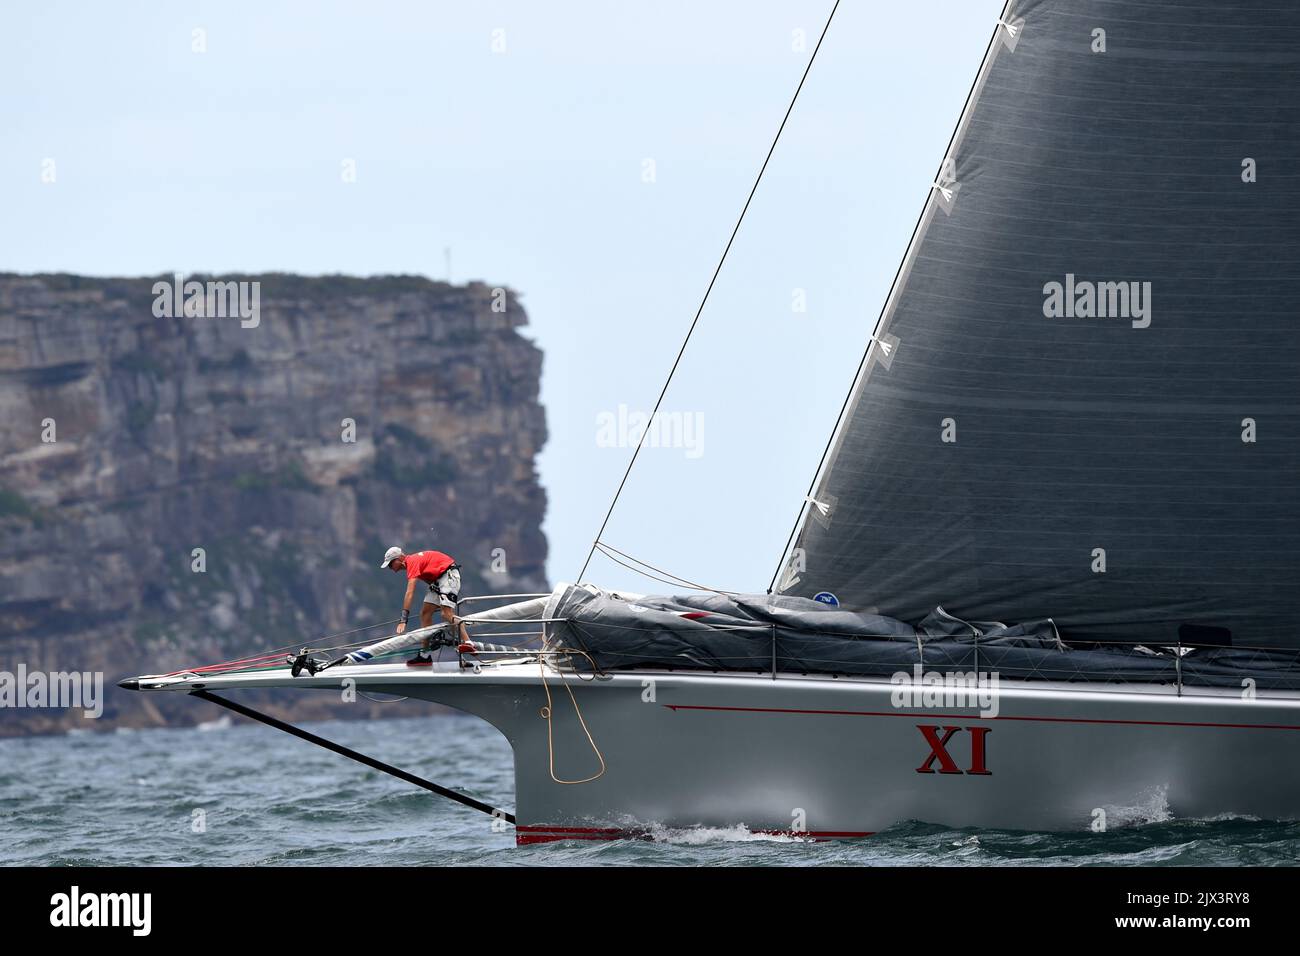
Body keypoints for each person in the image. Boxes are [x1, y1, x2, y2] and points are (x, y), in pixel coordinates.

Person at [380, 545, 470, 666]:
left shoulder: (411, 562)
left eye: (391, 564)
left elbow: (410, 592)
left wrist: (403, 619)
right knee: (425, 614)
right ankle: (425, 655)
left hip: (448, 576)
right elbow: (430, 572)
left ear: (399, 559)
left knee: (446, 613)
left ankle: (468, 643)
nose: (390, 568)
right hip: (438, 580)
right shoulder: (412, 562)